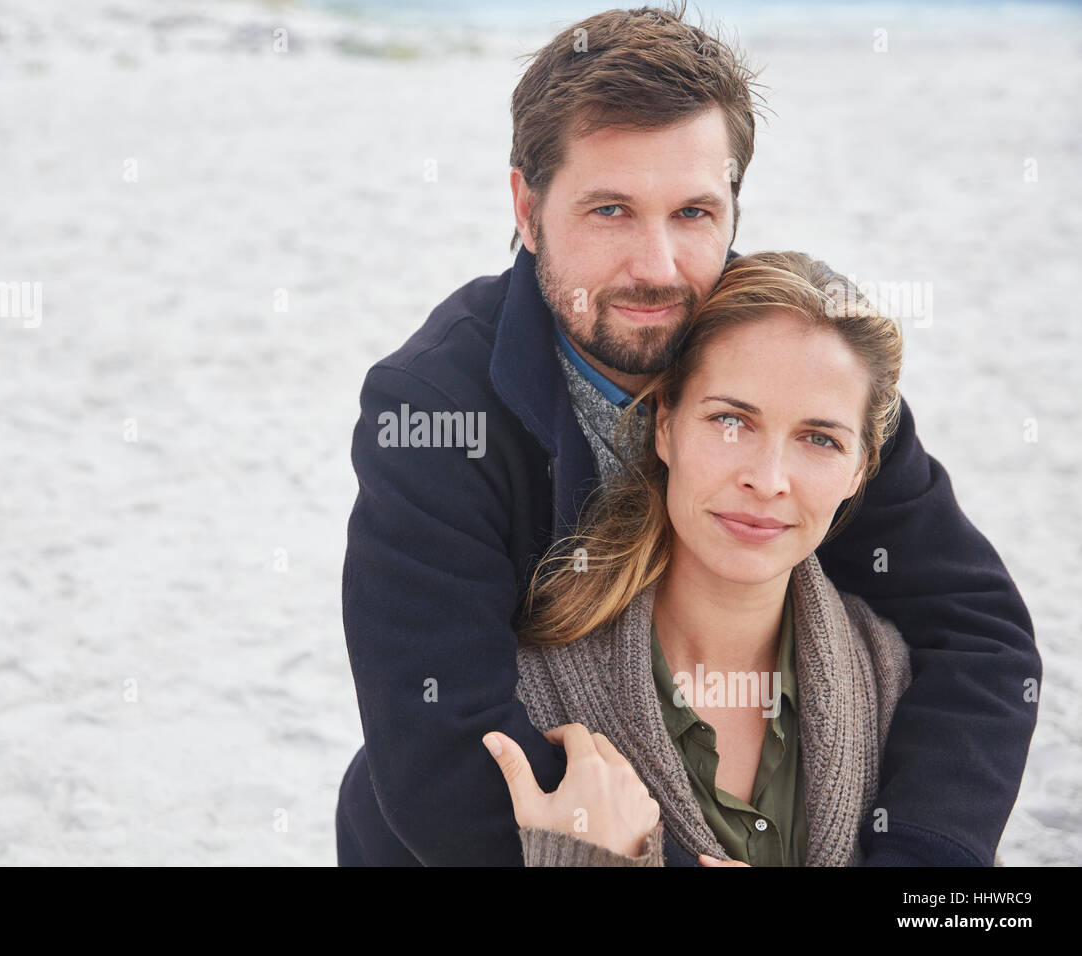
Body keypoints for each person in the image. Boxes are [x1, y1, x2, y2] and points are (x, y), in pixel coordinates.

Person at [335, 4, 1039, 867]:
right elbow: (444, 748)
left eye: (694, 214)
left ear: (734, 208)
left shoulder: (799, 363)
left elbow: (979, 637)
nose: (659, 267)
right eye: (610, 211)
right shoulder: (433, 409)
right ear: (527, 206)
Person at [489, 251, 915, 866]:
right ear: (665, 425)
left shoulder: (896, 684)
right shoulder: (526, 695)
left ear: (860, 469)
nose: (767, 480)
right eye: (730, 421)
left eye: (819, 439)